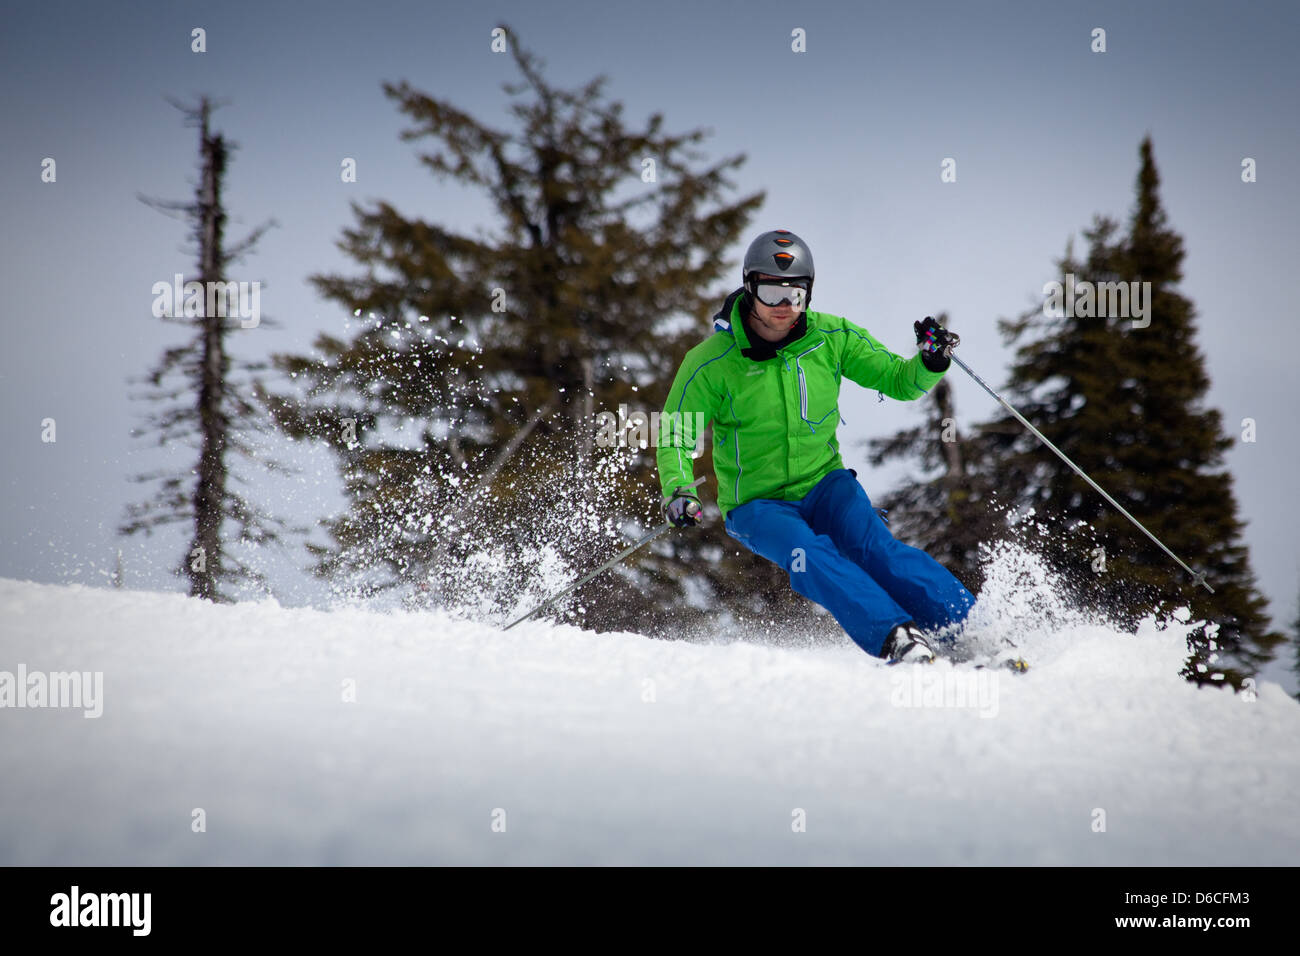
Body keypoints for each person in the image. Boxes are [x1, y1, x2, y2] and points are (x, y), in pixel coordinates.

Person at [656, 229, 975, 663]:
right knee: (809, 556)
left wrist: (930, 362)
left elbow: (899, 381)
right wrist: (679, 489)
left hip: (827, 485)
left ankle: (970, 627)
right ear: (749, 288)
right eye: (772, 292)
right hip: (757, 504)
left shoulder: (831, 338)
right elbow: (677, 433)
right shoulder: (712, 363)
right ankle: (897, 638)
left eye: (796, 294)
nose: (784, 307)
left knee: (877, 550)